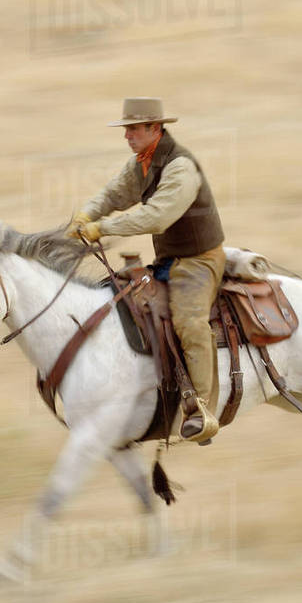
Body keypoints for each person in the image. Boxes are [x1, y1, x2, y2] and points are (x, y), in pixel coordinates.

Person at [68, 97, 226, 444]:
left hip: (198, 261)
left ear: (155, 129)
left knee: (189, 321)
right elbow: (113, 194)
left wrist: (102, 229)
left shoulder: (180, 168)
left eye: (134, 129)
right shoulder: (142, 163)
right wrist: (86, 215)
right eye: (126, 129)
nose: (127, 136)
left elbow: (158, 216)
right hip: (170, 261)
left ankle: (202, 410)